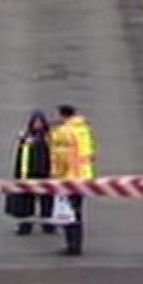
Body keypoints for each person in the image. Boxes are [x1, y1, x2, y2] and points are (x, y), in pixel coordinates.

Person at [49, 104, 97, 256]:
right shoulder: (84, 130)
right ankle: (76, 244)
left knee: (68, 213)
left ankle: (72, 245)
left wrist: (56, 175)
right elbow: (91, 153)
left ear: (63, 115)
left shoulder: (64, 132)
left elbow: (61, 156)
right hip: (84, 176)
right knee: (77, 212)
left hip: (69, 177)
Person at [6, 110, 55, 236]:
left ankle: (48, 224)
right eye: (35, 122)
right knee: (26, 202)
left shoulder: (50, 138)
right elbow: (20, 157)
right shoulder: (26, 138)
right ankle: (25, 225)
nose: (37, 125)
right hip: (28, 174)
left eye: (40, 122)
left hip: (46, 173)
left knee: (47, 202)